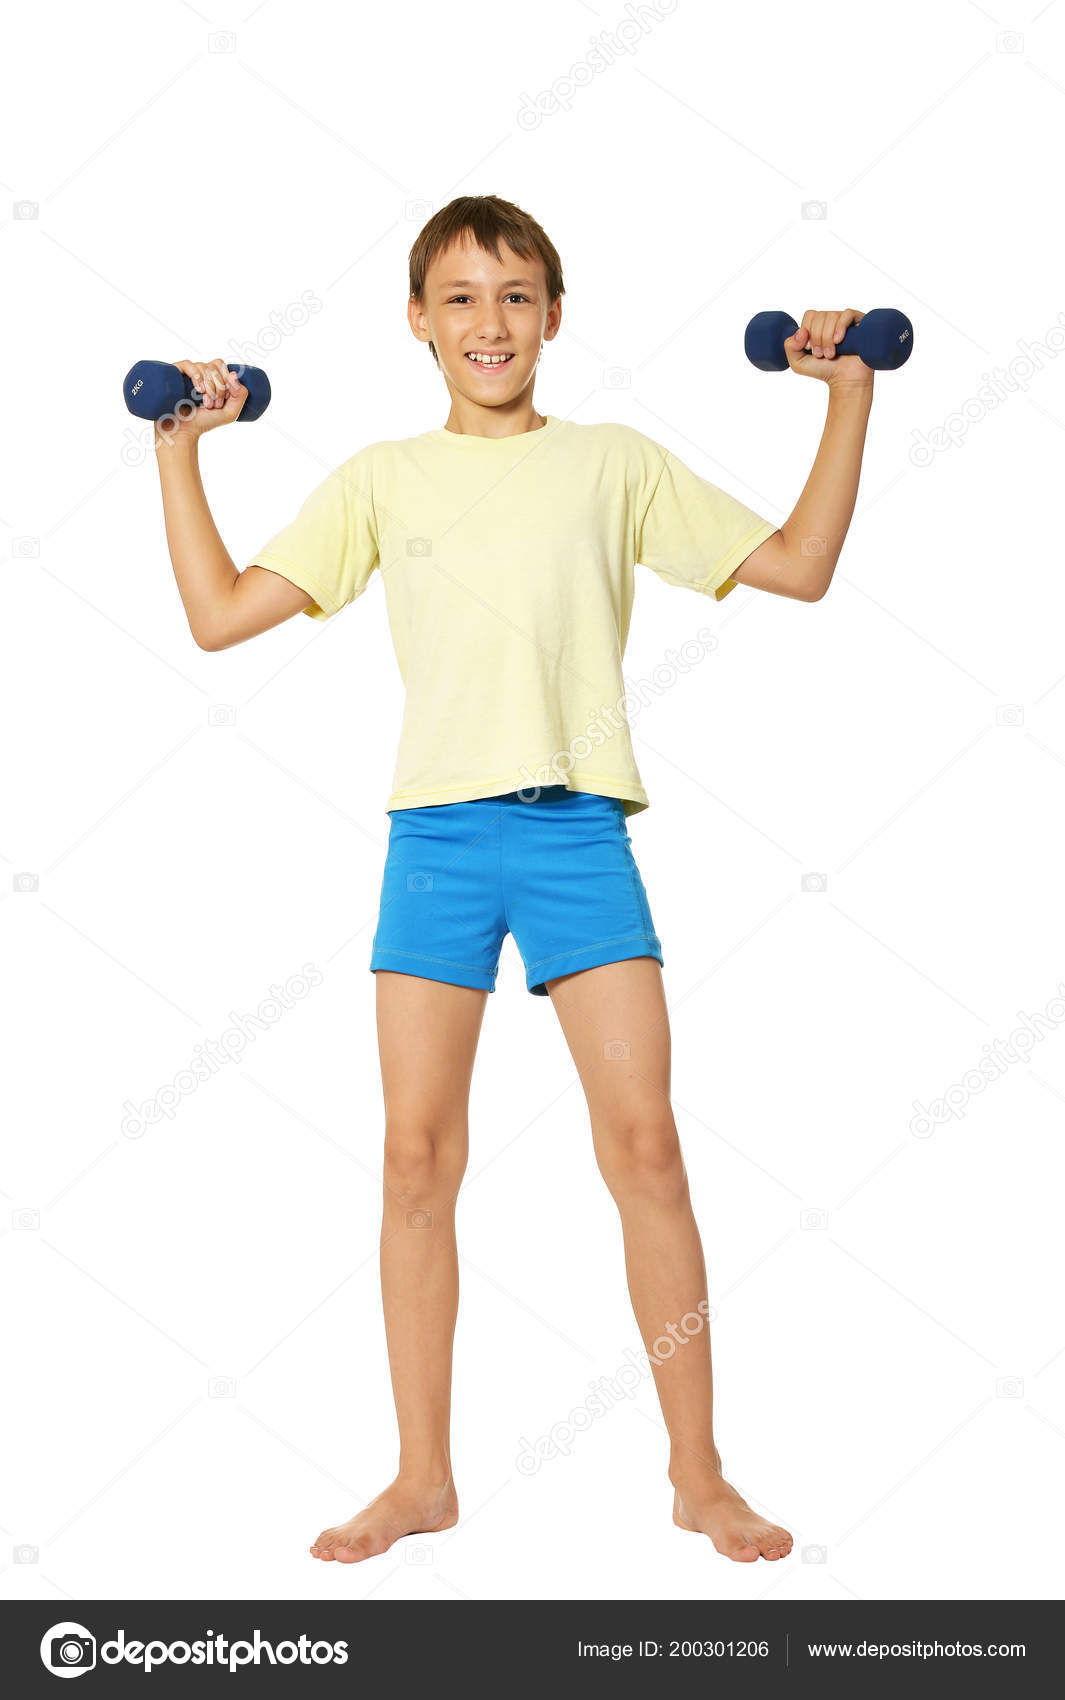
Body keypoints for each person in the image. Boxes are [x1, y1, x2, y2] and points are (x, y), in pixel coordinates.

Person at [153, 194, 874, 1566]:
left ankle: (698, 1475)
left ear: (555, 315)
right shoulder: (379, 478)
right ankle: (422, 1476)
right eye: (464, 298)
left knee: (645, 1150)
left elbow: (800, 566)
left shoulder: (610, 463)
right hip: (434, 841)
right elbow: (218, 614)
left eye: (518, 295)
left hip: (573, 836)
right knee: (415, 1160)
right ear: (418, 321)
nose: (493, 323)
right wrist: (175, 451)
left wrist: (846, 395)